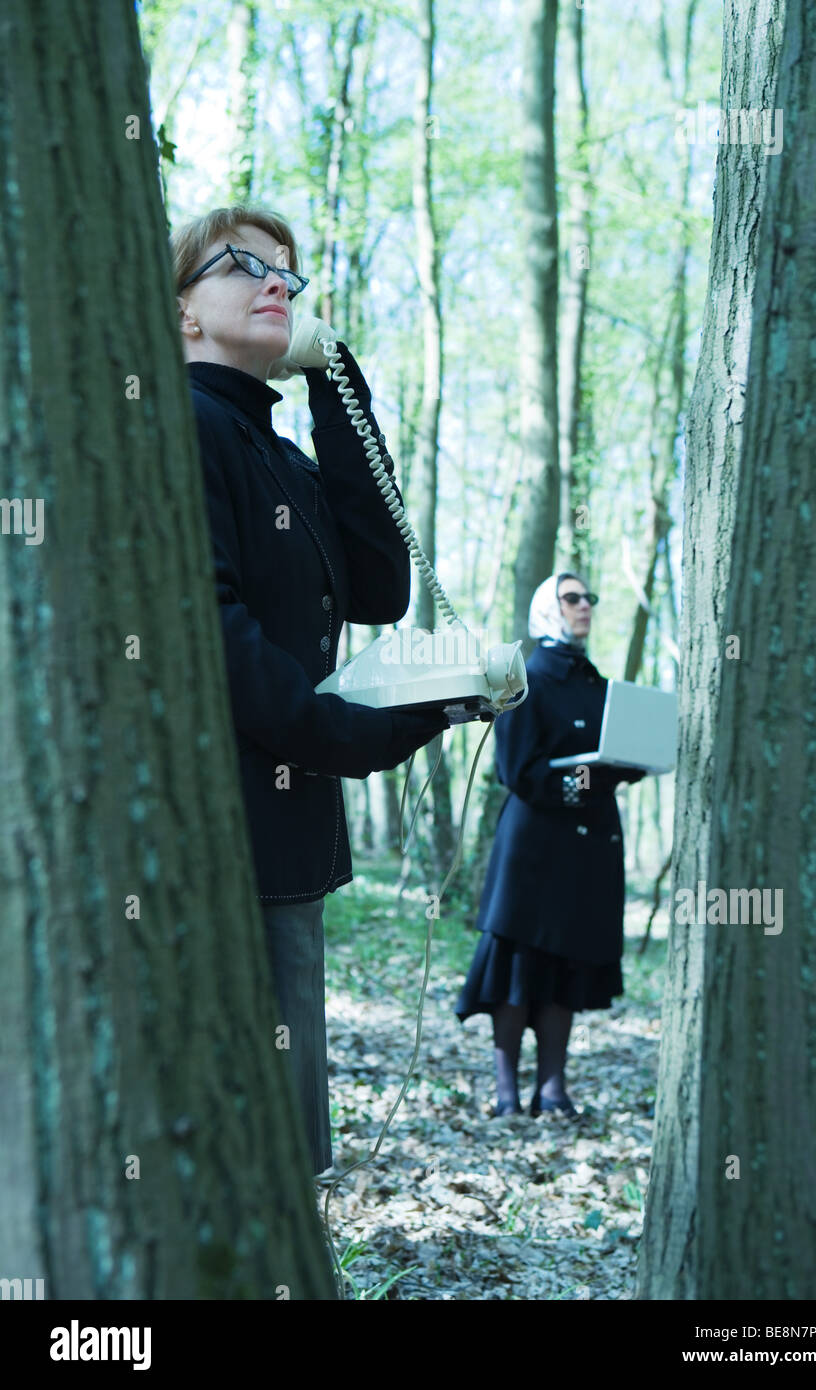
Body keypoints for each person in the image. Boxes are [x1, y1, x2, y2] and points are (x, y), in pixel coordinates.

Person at [172, 205, 448, 1174]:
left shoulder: (280, 453)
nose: (276, 278)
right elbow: (213, 636)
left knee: (290, 1149)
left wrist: (334, 378)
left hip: (286, 837)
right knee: (236, 1145)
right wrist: (363, 733)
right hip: (202, 839)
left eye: (288, 268)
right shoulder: (178, 428)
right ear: (181, 314)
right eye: (242, 263)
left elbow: (381, 584)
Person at [455, 572, 644, 1117]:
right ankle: (507, 1093)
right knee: (519, 965)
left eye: (590, 598)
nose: (585, 605)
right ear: (547, 608)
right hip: (533, 847)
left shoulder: (600, 685)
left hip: (587, 847)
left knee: (567, 963)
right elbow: (516, 770)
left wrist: (627, 765)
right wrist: (589, 779)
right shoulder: (523, 678)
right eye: (572, 598)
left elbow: (611, 759)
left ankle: (554, 1088)